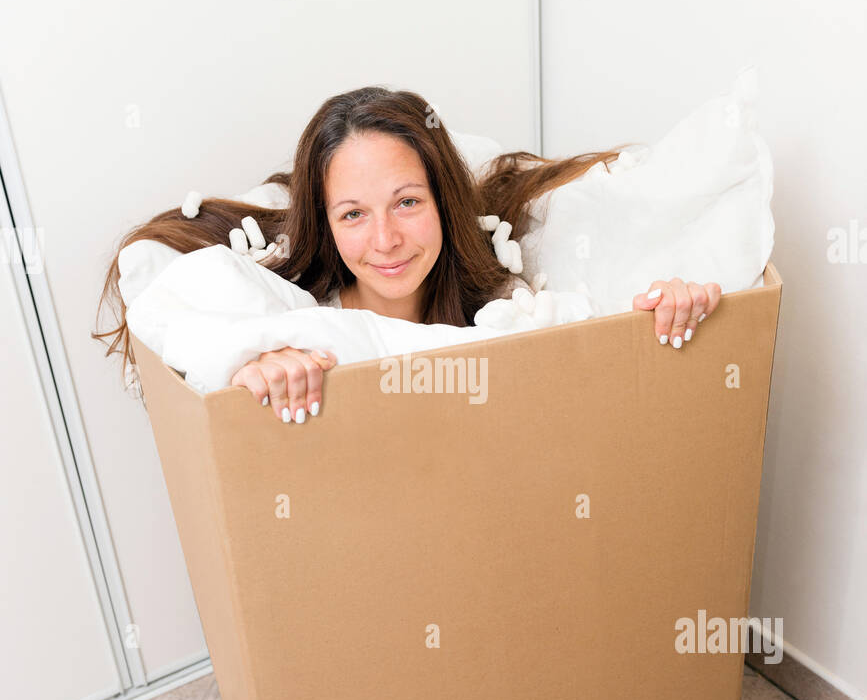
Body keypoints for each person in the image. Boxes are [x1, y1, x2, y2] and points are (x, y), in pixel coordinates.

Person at [95, 85, 721, 422]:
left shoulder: (504, 306)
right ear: (328, 226)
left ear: (444, 201)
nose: (386, 241)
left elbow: (591, 340)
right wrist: (251, 360)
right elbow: (183, 305)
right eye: (353, 215)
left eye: (407, 203)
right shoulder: (294, 319)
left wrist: (669, 303)